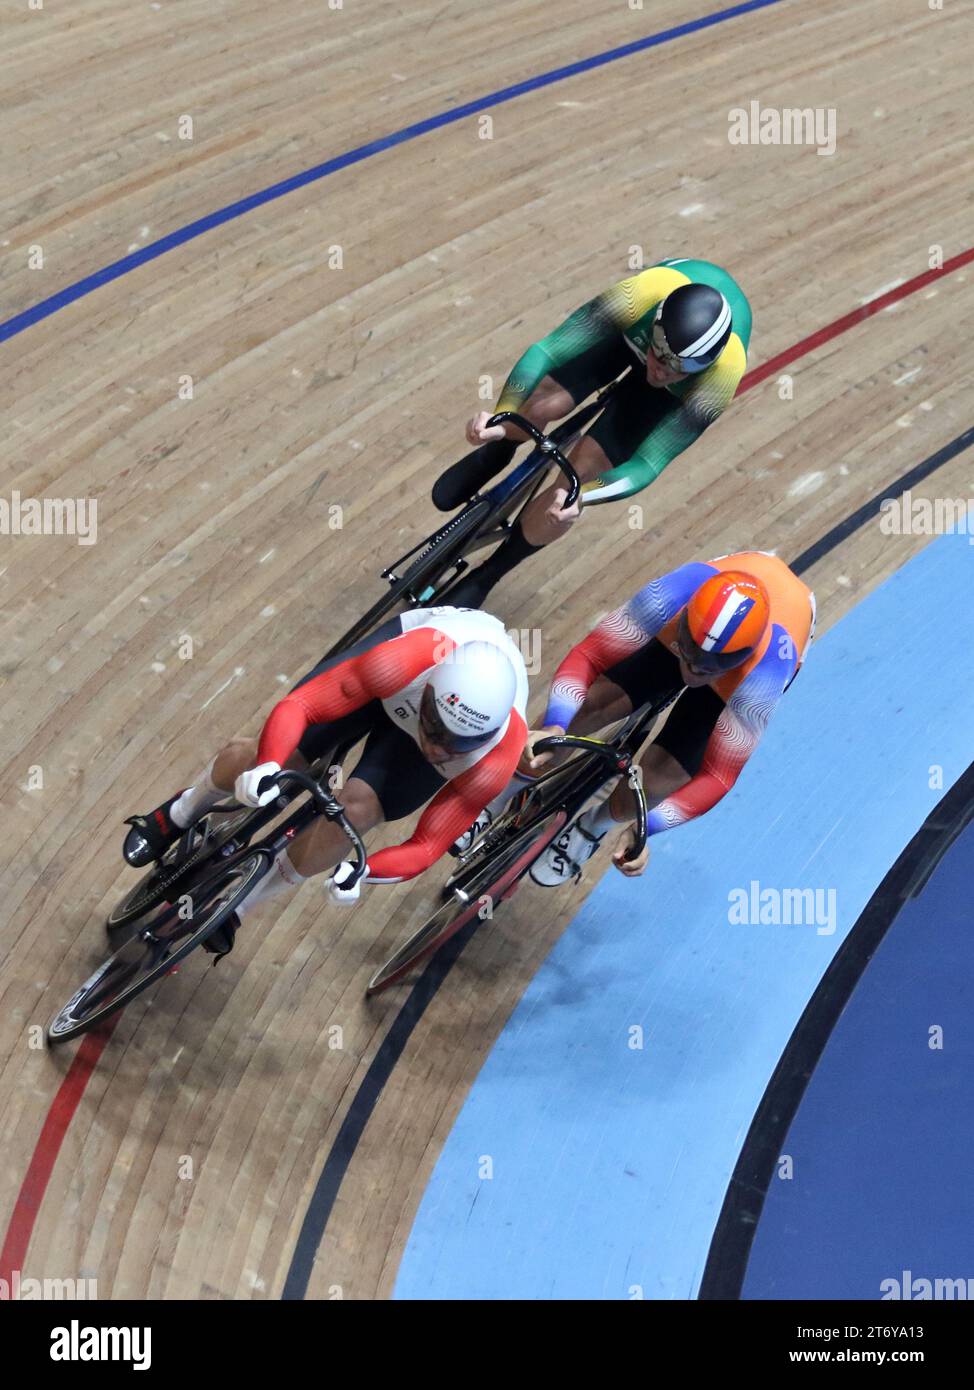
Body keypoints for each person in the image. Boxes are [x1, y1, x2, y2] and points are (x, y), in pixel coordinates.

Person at [121, 608, 528, 953]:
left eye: (455, 744)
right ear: (430, 691)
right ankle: (179, 812)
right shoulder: (402, 662)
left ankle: (239, 908)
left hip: (411, 710)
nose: (437, 748)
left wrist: (361, 870)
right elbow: (301, 706)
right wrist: (268, 764)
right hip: (385, 687)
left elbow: (425, 848)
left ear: (484, 738)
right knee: (275, 754)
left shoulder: (492, 762)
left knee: (356, 814)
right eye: (435, 727)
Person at [464, 552, 814, 885]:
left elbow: (718, 776)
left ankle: (594, 825)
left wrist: (647, 826)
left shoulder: (764, 676)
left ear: (741, 659)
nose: (691, 672)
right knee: (589, 706)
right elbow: (589, 656)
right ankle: (497, 795)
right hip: (693, 629)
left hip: (744, 671)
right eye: (689, 654)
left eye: (706, 668)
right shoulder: (675, 593)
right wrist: (556, 723)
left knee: (661, 774)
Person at [437, 257, 752, 607]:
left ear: (706, 365)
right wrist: (500, 414)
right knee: (542, 404)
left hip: (660, 392)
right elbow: (549, 349)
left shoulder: (719, 379)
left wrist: (584, 496)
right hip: (626, 336)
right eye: (660, 353)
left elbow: (649, 463)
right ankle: (495, 450)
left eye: (682, 367)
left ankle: (489, 574)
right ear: (657, 324)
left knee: (576, 479)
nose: (661, 370)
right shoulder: (640, 295)